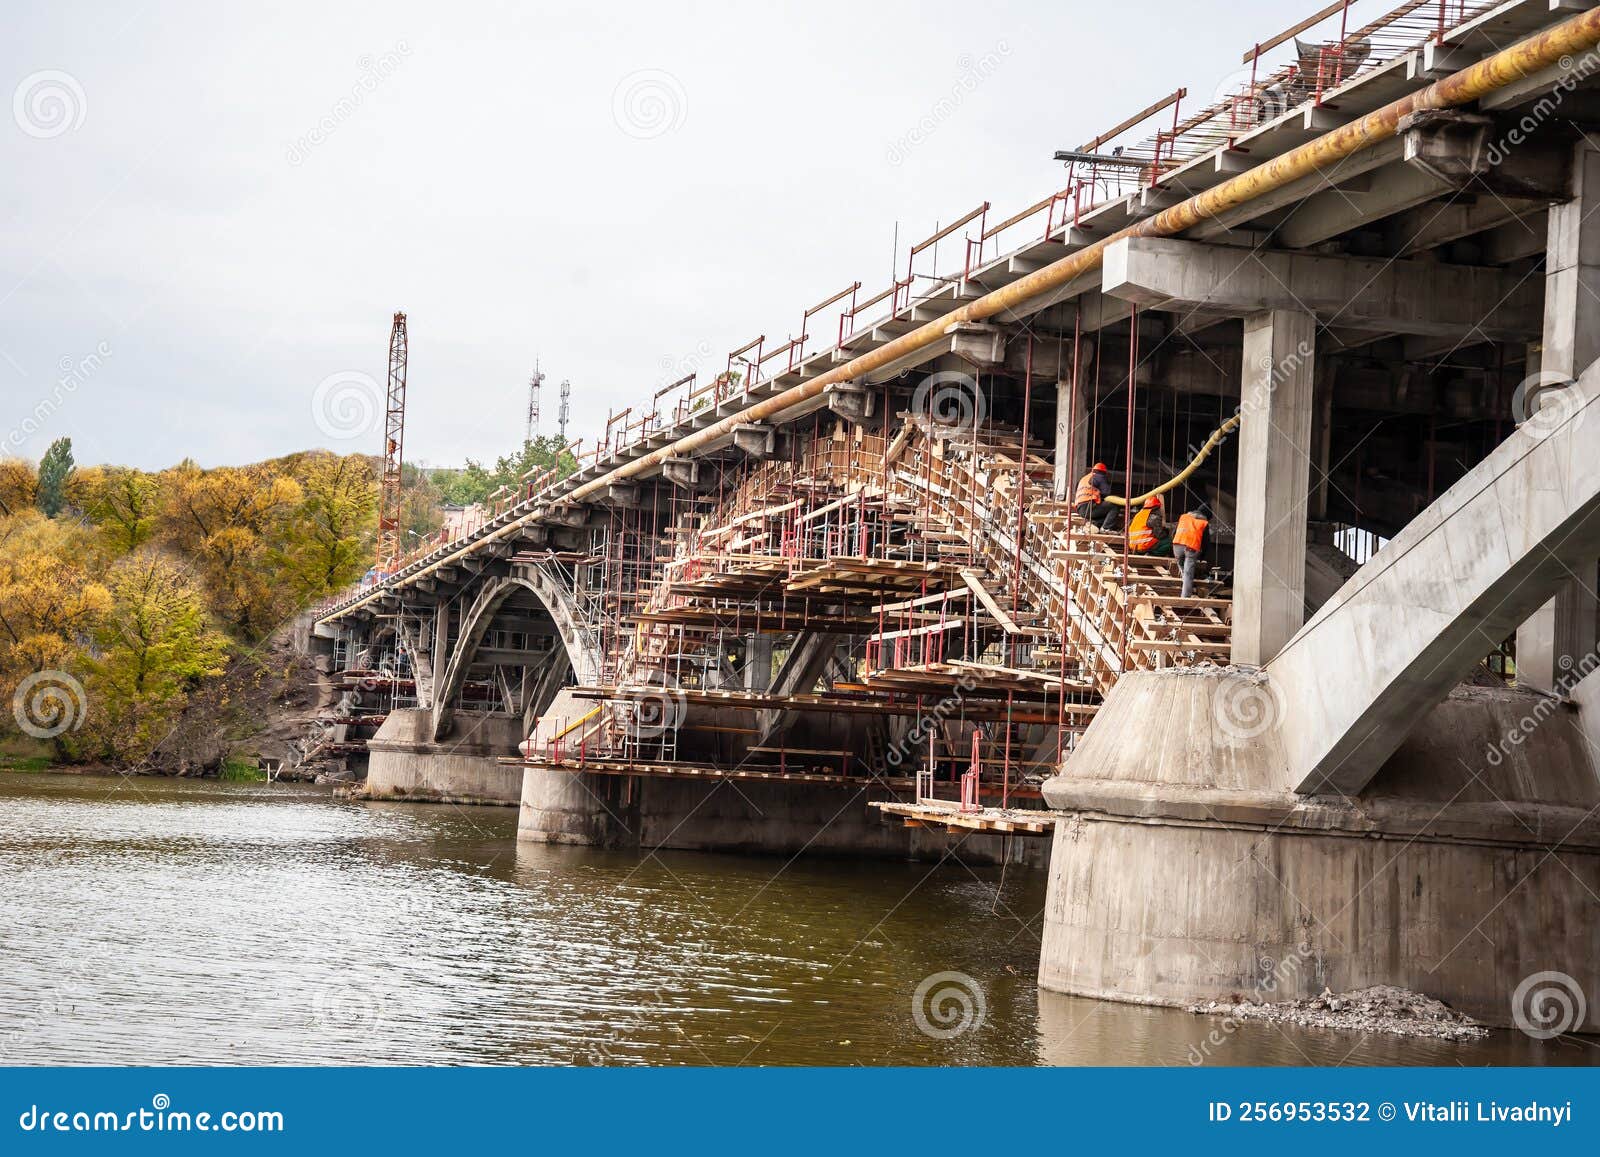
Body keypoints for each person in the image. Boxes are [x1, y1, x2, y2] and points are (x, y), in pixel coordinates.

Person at [1172, 503, 1210, 598]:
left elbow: (1173, 532)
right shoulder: (1204, 523)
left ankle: (1182, 575)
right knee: (1189, 574)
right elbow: (1206, 542)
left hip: (1177, 546)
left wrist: (1174, 547)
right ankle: (1185, 598)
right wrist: (1202, 557)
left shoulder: (1184, 517)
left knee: (1182, 567)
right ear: (1206, 515)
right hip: (1191, 548)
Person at [1074, 462, 1118, 529]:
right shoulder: (1099, 476)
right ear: (1103, 472)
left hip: (1080, 509)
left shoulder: (1085, 478)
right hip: (1089, 506)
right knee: (1113, 507)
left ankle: (1094, 525)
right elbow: (1106, 492)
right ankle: (1106, 528)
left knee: (1105, 513)